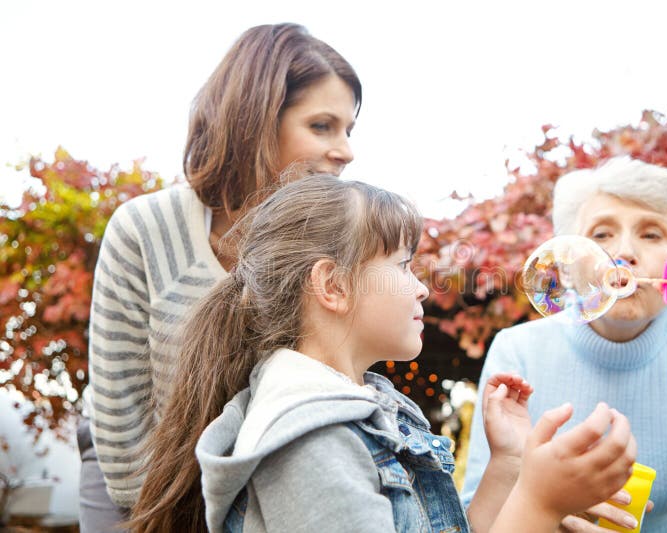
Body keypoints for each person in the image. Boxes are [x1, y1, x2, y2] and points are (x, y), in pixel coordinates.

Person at [138, 175, 638, 532]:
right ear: (332, 285)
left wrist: (510, 466)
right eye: (404, 266)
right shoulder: (308, 443)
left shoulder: (375, 409)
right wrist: (540, 502)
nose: (422, 289)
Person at [81, 23, 362, 532]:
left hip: (256, 495)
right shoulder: (144, 230)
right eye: (322, 126)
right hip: (133, 480)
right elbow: (120, 409)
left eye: (349, 130)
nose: (345, 150)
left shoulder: (328, 251)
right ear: (254, 121)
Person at [462, 156, 667, 532]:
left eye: (652, 234)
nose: (624, 252)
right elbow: (477, 518)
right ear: (569, 266)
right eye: (602, 234)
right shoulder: (518, 349)